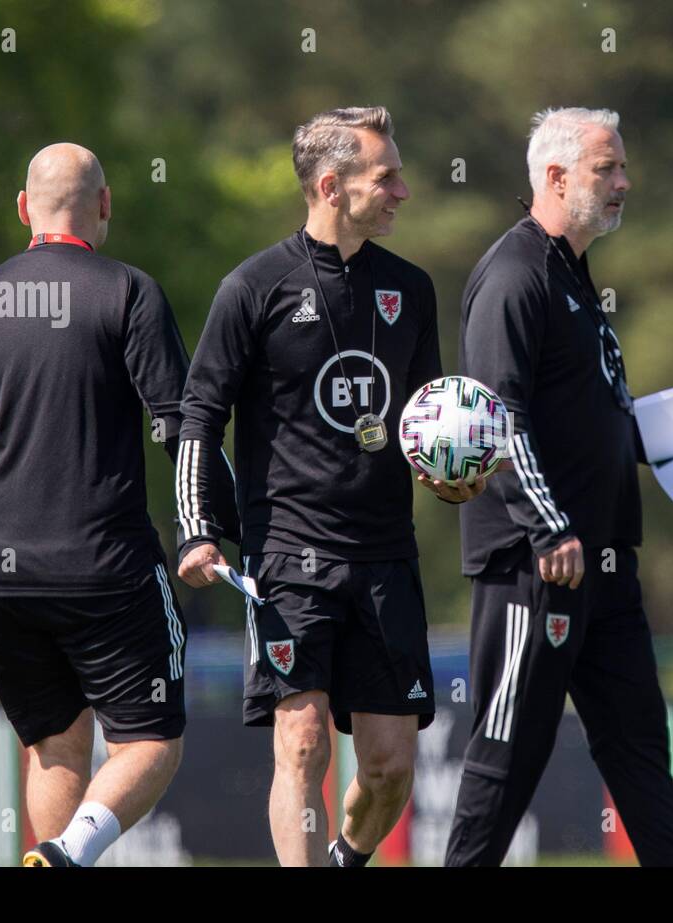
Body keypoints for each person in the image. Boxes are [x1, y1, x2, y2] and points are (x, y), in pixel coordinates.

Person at [176, 107, 486, 867]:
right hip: (289, 558)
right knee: (303, 742)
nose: (403, 193)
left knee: (389, 770)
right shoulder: (252, 287)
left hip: (386, 558)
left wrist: (452, 473)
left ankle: (344, 859)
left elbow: (423, 419)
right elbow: (198, 417)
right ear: (329, 185)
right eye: (387, 178)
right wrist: (197, 528)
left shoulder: (410, 289)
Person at [0, 143, 230, 866]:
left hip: (1, 576)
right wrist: (211, 527)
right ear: (105, 205)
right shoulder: (128, 290)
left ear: (24, 209)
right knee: (150, 740)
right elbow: (179, 426)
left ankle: (53, 862)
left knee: (54, 745)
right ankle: (69, 855)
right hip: (106, 567)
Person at [445, 108, 673, 866]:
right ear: (555, 178)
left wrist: (658, 438)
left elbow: (579, 413)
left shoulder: (573, 277)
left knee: (640, 750)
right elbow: (496, 415)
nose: (624, 182)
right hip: (539, 563)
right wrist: (550, 526)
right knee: (509, 751)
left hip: (607, 565)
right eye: (606, 169)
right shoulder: (515, 273)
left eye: (622, 168)